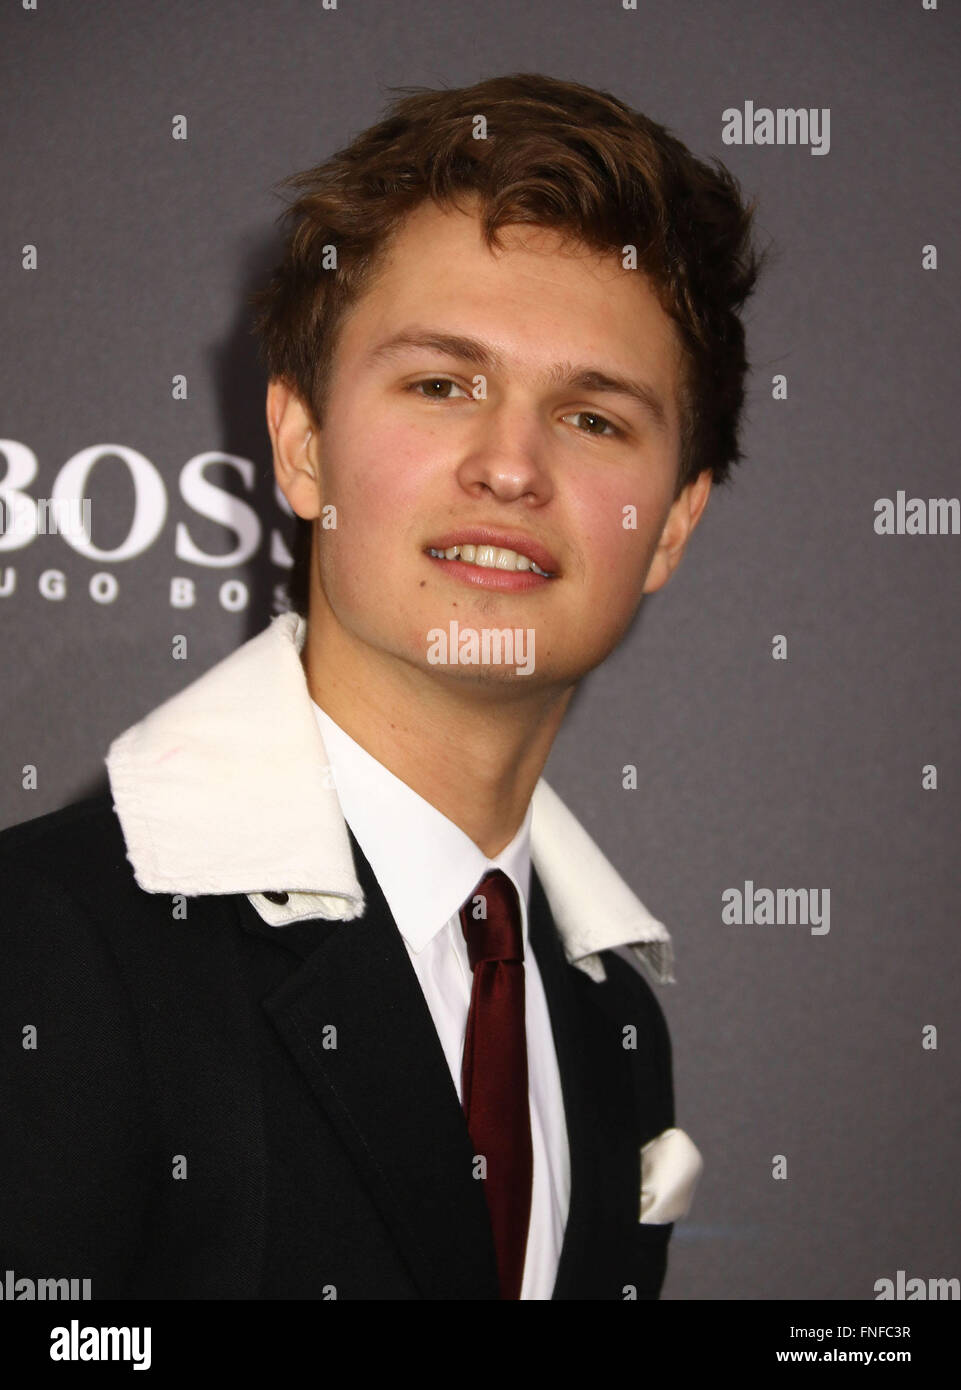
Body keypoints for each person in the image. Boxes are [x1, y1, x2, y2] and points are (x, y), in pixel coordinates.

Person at [0, 73, 764, 1300]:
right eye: (439, 384)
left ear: (670, 525)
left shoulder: (612, 1024)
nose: (510, 466)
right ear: (301, 446)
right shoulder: (48, 948)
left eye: (593, 418)